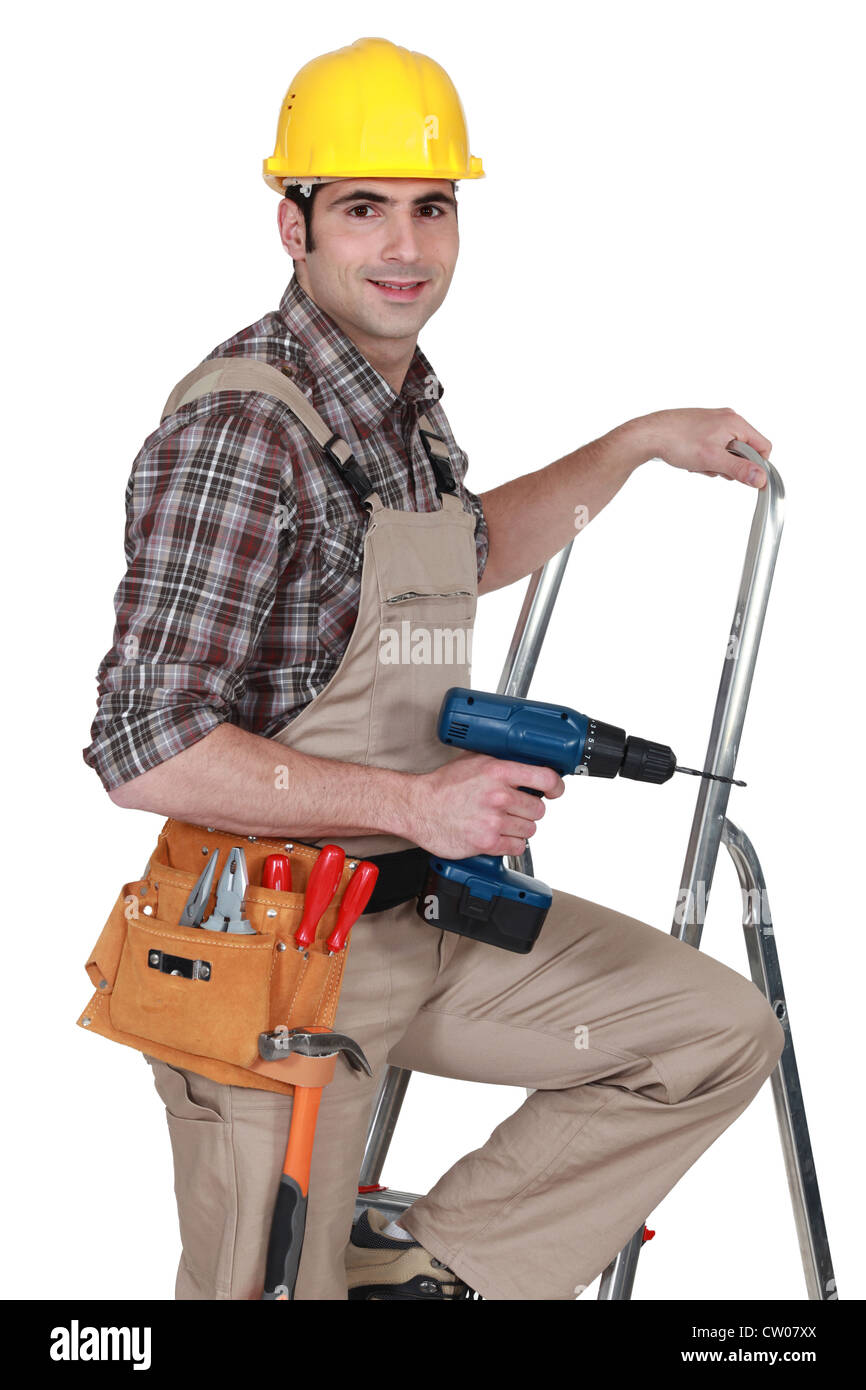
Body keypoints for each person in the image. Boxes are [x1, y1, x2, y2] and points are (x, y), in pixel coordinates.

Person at [83, 36, 784, 1301]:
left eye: (430, 208)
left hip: (422, 921)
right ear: (292, 224)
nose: (404, 246)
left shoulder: (399, 405)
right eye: (362, 209)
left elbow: (465, 552)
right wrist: (418, 803)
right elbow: (144, 746)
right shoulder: (244, 431)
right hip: (272, 952)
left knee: (709, 1033)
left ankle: (439, 1276)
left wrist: (630, 447)